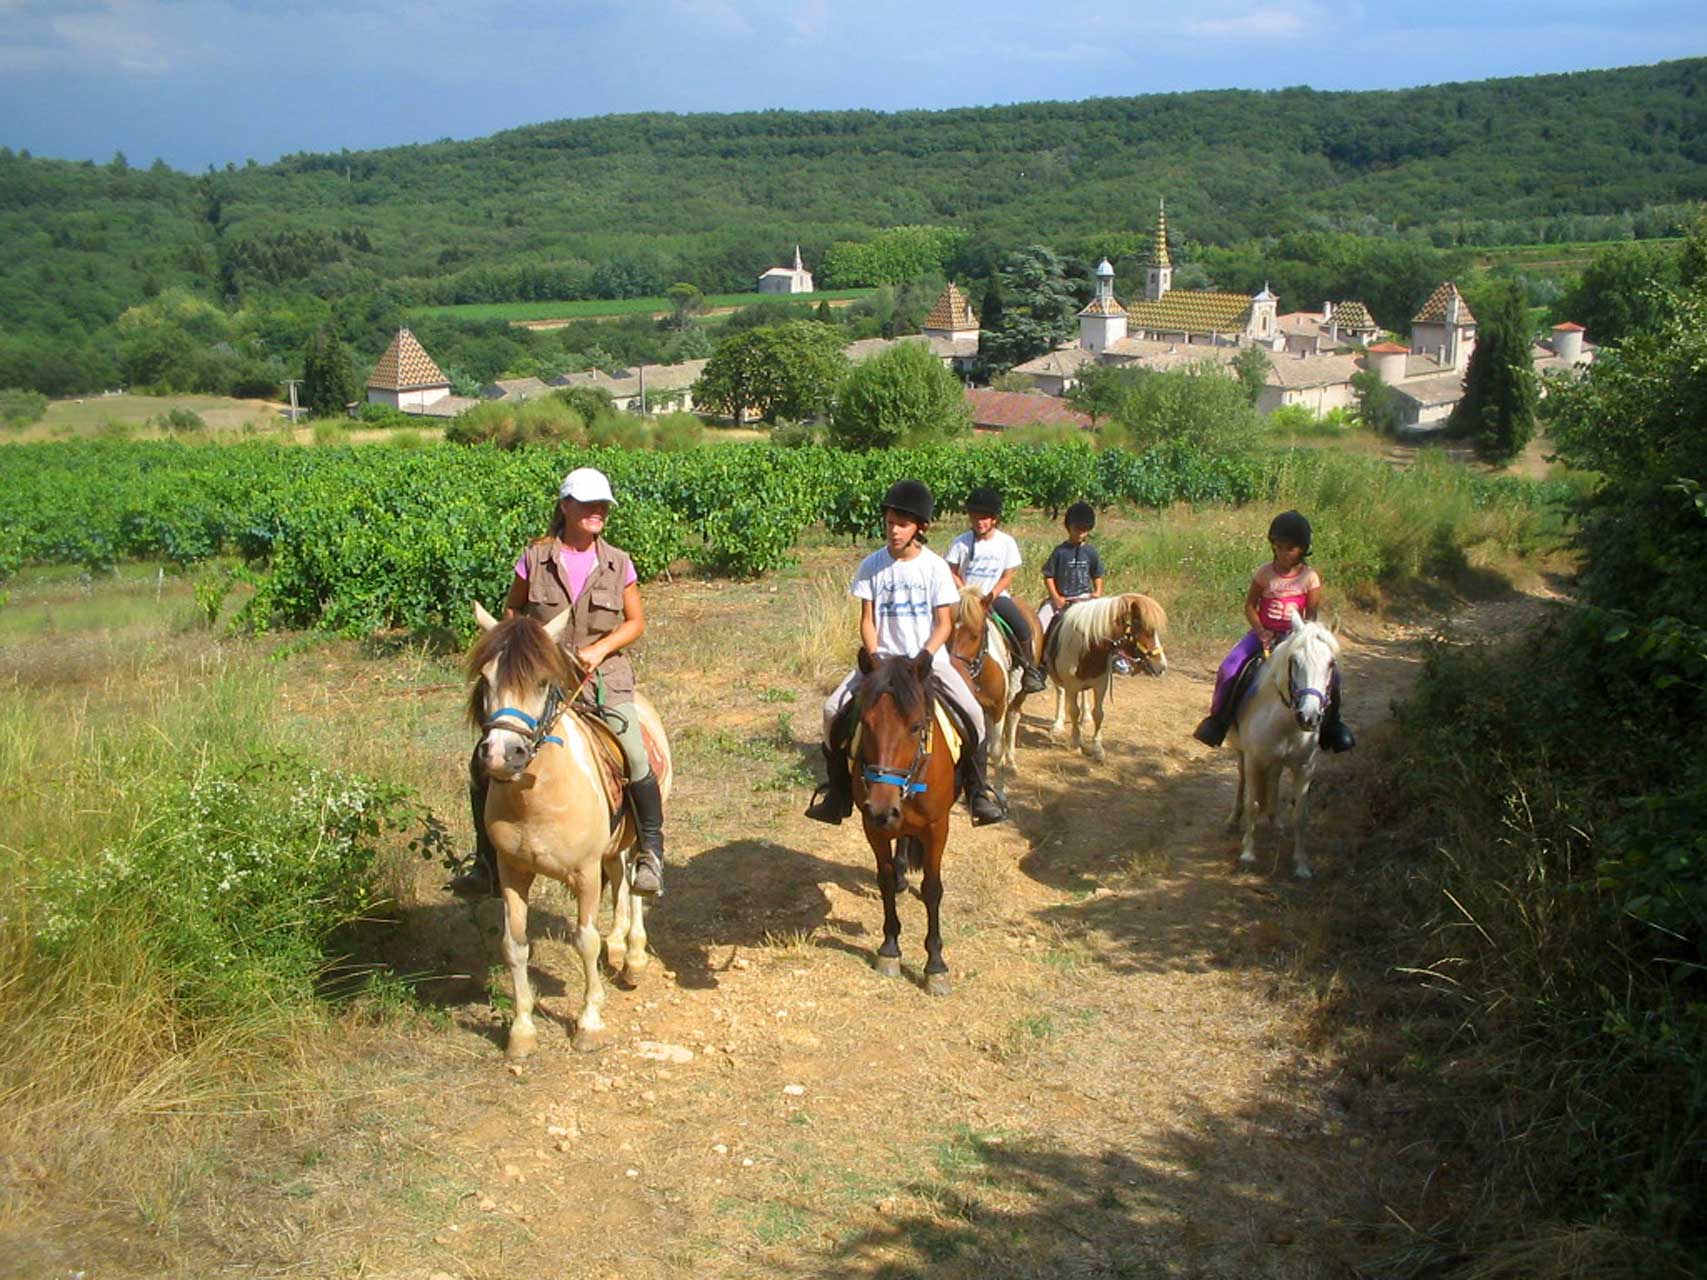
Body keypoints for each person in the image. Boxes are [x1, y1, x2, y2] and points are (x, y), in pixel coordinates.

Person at [450, 466, 669, 899]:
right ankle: (486, 862)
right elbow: (513, 611)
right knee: (484, 761)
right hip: (541, 680)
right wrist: (520, 650)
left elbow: (636, 621)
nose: (598, 512)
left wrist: (600, 649)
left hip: (602, 678)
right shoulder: (534, 558)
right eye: (588, 504)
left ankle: (650, 854)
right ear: (565, 506)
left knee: (636, 756)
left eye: (603, 506)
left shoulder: (618, 562)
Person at [804, 478, 1007, 827]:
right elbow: (867, 620)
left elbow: (944, 623)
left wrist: (926, 655)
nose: (893, 531)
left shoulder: (935, 568)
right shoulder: (871, 566)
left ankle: (978, 792)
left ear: (920, 528)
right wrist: (875, 656)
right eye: (889, 524)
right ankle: (836, 792)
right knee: (830, 711)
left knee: (974, 715)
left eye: (902, 524)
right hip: (883, 662)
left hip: (927, 663)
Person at [1192, 509, 1355, 752]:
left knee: (1334, 675)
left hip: (1296, 638)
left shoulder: (1310, 578)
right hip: (1263, 634)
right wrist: (1261, 632)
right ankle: (1219, 720)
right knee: (1229, 668)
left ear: (1302, 549)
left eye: (1289, 548)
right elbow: (1249, 606)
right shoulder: (1264, 573)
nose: (1282, 553)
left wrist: (1301, 639)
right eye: (1277, 547)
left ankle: (1332, 725)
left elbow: (1311, 615)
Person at [945, 486, 1048, 694]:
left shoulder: (1005, 543)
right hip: (966, 599)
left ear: (994, 519)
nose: (979, 522)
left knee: (1021, 626)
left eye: (984, 518)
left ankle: (1030, 669)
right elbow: (952, 571)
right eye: (975, 517)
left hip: (995, 596)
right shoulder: (961, 543)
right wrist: (964, 590)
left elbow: (1008, 575)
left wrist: (991, 595)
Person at [1038, 500, 1105, 635]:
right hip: (1063, 599)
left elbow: (1097, 574)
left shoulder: (1090, 551)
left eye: (1084, 529)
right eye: (1077, 528)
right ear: (1069, 527)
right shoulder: (1060, 551)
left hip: (1084, 598)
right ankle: (1039, 653)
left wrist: (1097, 592)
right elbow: (1049, 576)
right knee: (1040, 622)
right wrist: (1056, 597)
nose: (1080, 533)